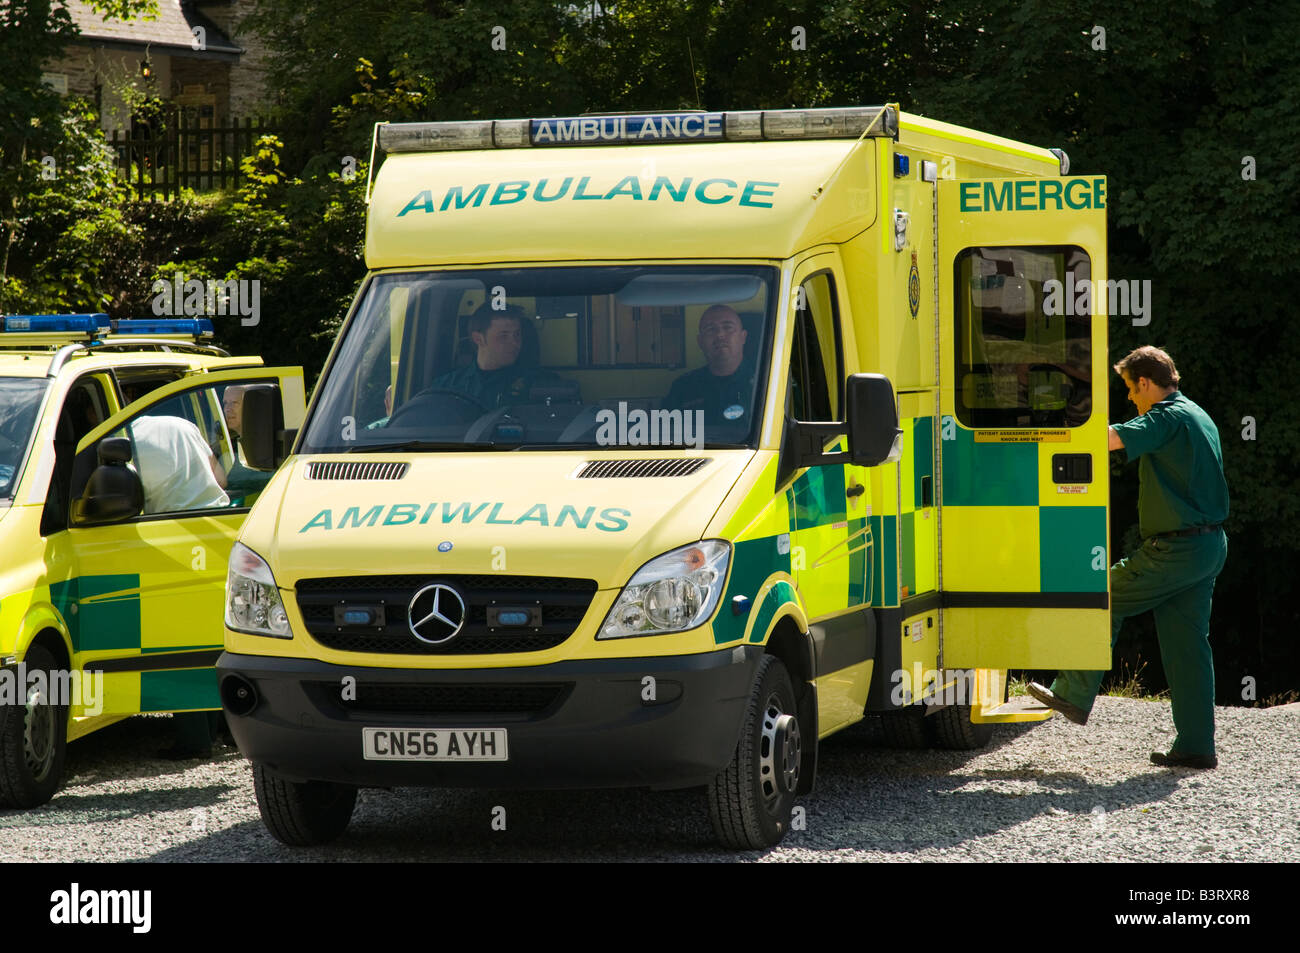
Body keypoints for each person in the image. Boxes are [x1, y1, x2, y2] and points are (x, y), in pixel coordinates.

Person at [1029, 346, 1229, 769]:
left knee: (1101, 596)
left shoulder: (1166, 416)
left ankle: (1072, 693)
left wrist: (1059, 426)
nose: (1129, 399)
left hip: (1176, 550)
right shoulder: (1197, 414)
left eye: (1129, 389)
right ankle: (1196, 746)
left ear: (1144, 382)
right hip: (1207, 546)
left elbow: (1108, 439)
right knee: (1188, 649)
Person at [664, 305, 756, 431]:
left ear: (743, 337)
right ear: (700, 341)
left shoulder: (765, 383)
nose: (720, 334)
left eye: (728, 327)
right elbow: (666, 436)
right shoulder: (682, 388)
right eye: (710, 329)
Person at [432, 304, 539, 408]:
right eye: (503, 336)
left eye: (517, 334)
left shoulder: (536, 385)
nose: (515, 343)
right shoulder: (446, 387)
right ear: (478, 339)